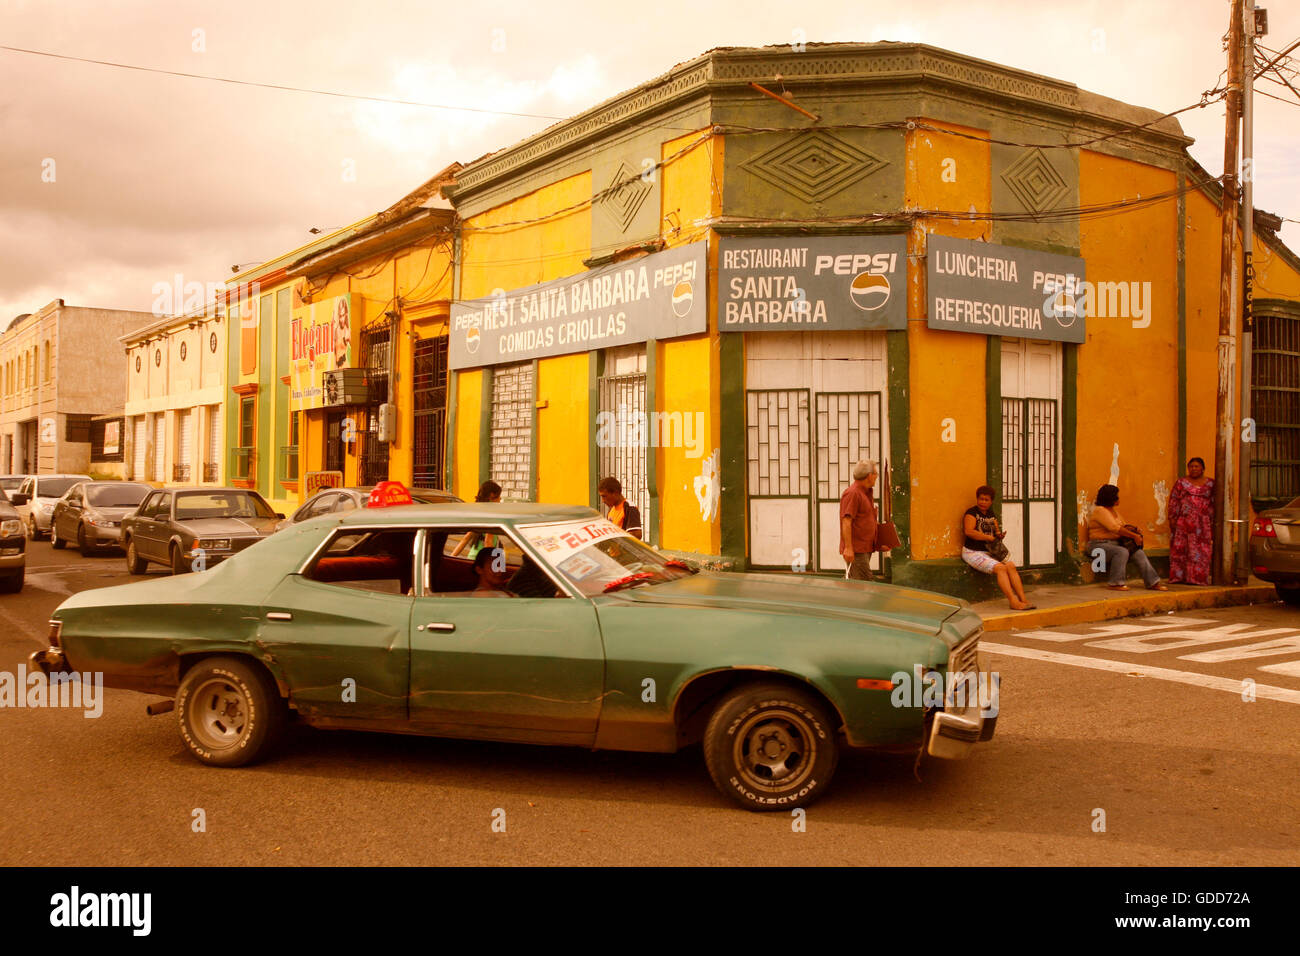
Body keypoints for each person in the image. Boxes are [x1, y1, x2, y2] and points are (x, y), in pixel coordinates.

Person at [961, 485, 1035, 610]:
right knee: (1000, 568)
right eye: (981, 499)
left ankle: (1024, 600)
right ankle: (1013, 601)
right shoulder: (971, 513)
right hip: (972, 552)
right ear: (977, 499)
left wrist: (999, 535)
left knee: (1010, 566)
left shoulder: (991, 513)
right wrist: (988, 538)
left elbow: (995, 531)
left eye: (986, 500)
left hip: (990, 551)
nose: (983, 502)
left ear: (991, 501)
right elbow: (969, 531)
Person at [1088, 484, 1168, 591]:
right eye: (1116, 496)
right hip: (1098, 546)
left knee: (1138, 553)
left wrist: (1134, 530)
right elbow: (1114, 528)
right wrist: (1134, 536)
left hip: (1115, 544)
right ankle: (1115, 583)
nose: (1118, 499)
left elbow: (1123, 526)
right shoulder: (1100, 511)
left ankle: (1152, 582)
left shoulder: (1114, 511)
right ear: (1110, 497)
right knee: (1121, 552)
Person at [1167, 457, 1214, 585]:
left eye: (1196, 466)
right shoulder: (1181, 483)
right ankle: (1179, 577)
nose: (1194, 469)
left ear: (1203, 469)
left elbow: (1214, 503)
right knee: (1182, 549)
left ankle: (1197, 578)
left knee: (1200, 550)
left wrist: (1213, 521)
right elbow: (1174, 501)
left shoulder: (1210, 484)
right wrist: (1172, 518)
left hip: (1202, 523)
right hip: (1184, 521)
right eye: (1191, 466)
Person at [839, 459, 879, 581]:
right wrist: (849, 548)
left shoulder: (866, 493)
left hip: (865, 548)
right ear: (869, 476)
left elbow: (867, 521)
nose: (877, 476)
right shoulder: (853, 493)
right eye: (875, 473)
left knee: (857, 583)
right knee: (864, 583)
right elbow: (846, 521)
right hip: (857, 550)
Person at [451, 481, 502, 557]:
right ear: (491, 496)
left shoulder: (480, 513)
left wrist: (452, 556)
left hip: (473, 557)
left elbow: (465, 539)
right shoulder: (491, 515)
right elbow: (488, 542)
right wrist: (490, 564)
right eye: (498, 496)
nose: (500, 499)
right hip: (482, 561)